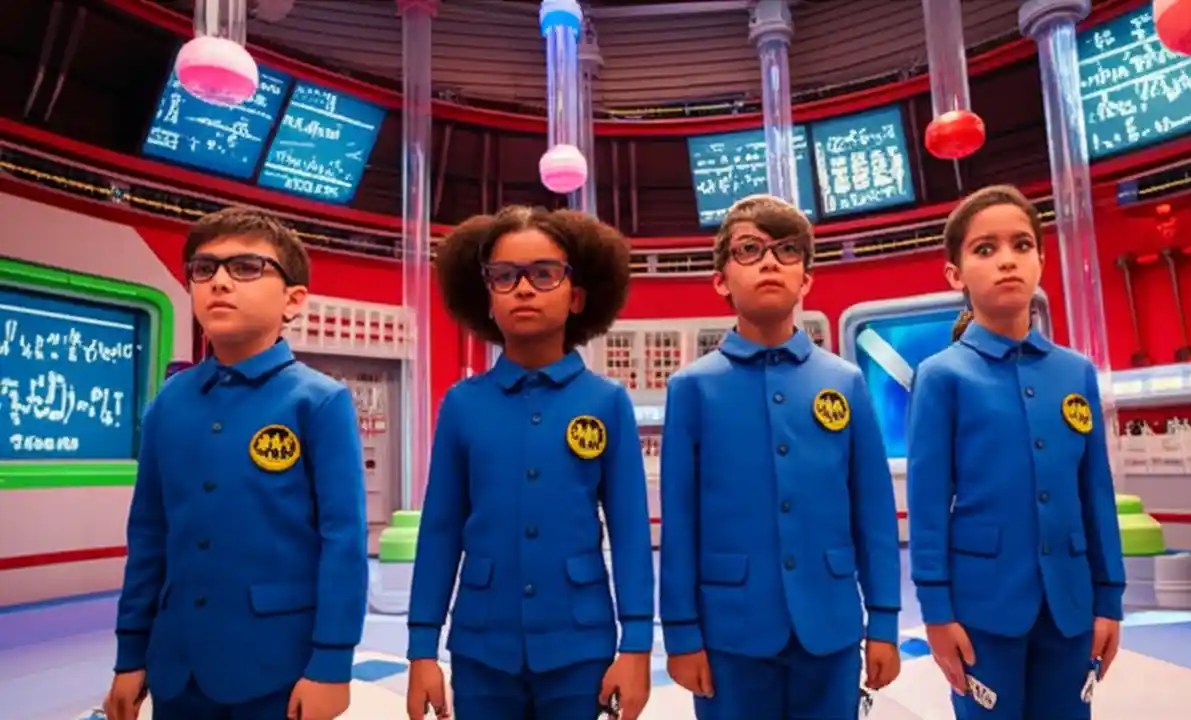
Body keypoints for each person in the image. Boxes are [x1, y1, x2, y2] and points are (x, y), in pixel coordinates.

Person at [105, 207, 368, 720]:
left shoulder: (319, 401)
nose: (220, 281)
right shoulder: (169, 402)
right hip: (176, 667)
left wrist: (332, 664)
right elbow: (150, 535)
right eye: (204, 269)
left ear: (294, 300)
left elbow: (344, 542)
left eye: (246, 267)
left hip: (278, 667)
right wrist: (130, 653)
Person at [405, 206, 654, 720]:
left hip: (580, 643)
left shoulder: (607, 402)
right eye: (504, 275)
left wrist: (636, 647)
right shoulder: (462, 404)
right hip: (480, 645)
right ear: (487, 299)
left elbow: (630, 533)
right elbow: (440, 531)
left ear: (577, 296)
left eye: (544, 274)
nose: (523, 288)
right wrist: (421, 648)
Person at [659, 194, 902, 720]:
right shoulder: (692, 389)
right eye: (749, 249)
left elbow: (874, 514)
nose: (769, 261)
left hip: (832, 626)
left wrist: (883, 620)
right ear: (721, 279)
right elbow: (679, 523)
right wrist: (681, 633)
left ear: (806, 279)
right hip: (730, 633)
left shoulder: (846, 381)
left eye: (786, 250)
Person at [906, 185, 1125, 719]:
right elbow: (929, 505)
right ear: (954, 274)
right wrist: (936, 612)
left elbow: (1095, 492)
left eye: (1021, 245)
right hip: (983, 608)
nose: (1007, 259)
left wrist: (1109, 598)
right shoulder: (941, 377)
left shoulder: (1075, 372)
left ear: (1041, 261)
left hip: (1071, 605)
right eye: (985, 249)